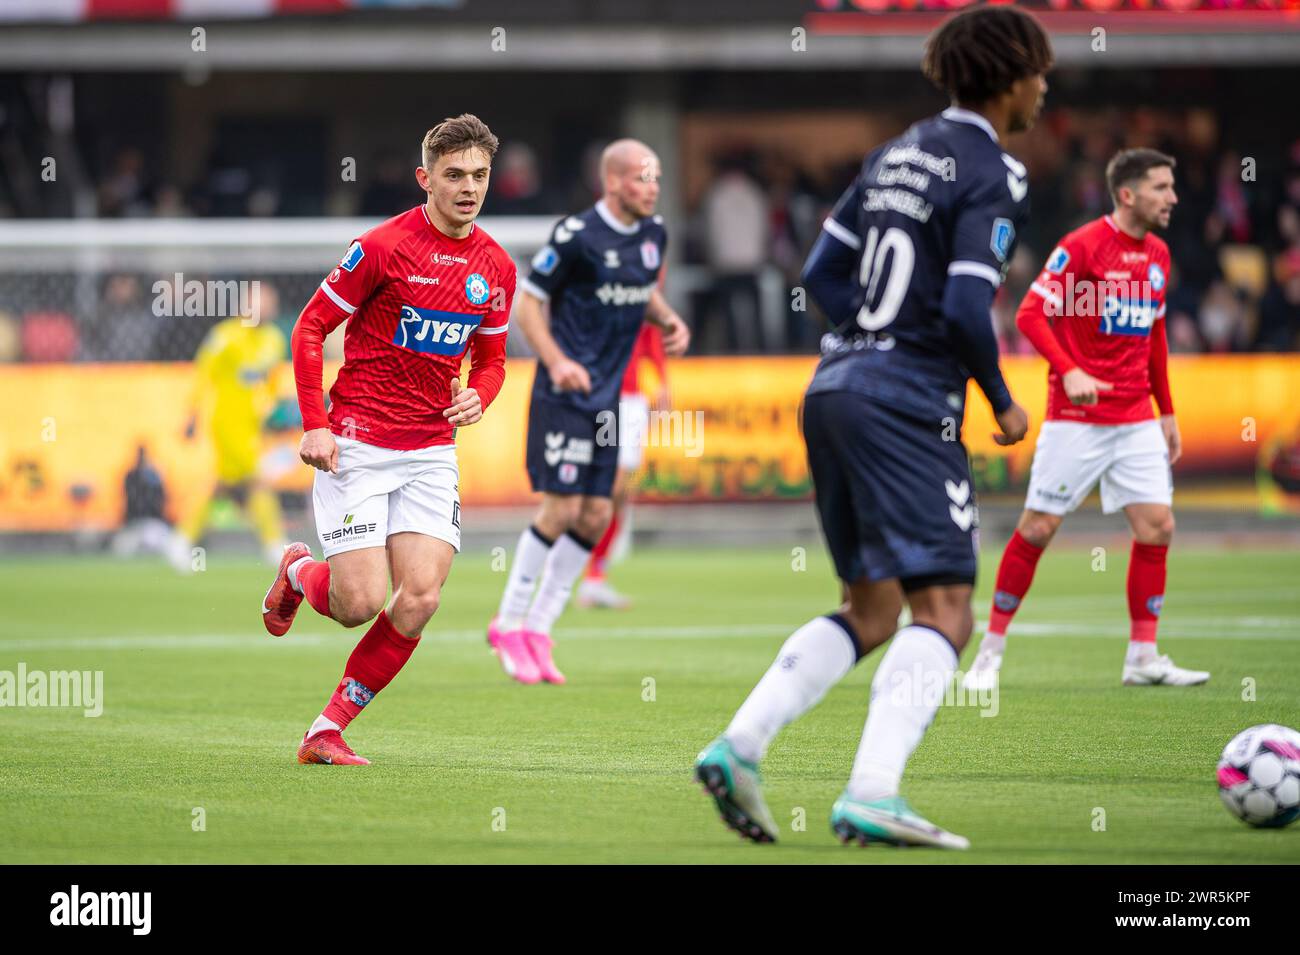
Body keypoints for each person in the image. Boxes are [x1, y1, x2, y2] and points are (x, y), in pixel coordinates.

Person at [694, 6, 1052, 848]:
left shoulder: (897, 151)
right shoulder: (994, 170)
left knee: (872, 605)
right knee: (949, 606)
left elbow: (821, 269)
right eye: (1042, 72)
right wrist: (998, 396)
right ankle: (873, 793)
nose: (1045, 88)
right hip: (905, 399)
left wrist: (869, 336)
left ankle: (740, 743)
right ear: (1010, 77)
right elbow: (967, 307)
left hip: (835, 385)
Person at [260, 114, 515, 765]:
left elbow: (492, 359)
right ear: (424, 178)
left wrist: (480, 394)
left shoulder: (496, 268)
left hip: (430, 450)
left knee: (422, 596)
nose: (468, 187)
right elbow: (310, 329)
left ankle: (327, 728)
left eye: (479, 175)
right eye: (454, 175)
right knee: (358, 602)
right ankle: (296, 571)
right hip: (359, 442)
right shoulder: (380, 247)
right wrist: (314, 421)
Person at [964, 149, 1209, 690]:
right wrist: (1070, 370)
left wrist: (1165, 409)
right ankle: (989, 654)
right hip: (1077, 418)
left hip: (1135, 419)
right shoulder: (1082, 248)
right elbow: (1030, 313)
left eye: (1172, 187)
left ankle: (1142, 656)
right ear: (1128, 195)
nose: (1172, 197)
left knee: (1158, 526)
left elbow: (1155, 336)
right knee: (1039, 527)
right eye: (1161, 188)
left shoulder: (1160, 256)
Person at [486, 138, 690, 685]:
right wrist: (556, 362)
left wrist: (668, 319)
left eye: (656, 179)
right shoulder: (575, 237)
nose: (653, 188)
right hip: (566, 395)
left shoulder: (654, 234)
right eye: (644, 179)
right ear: (616, 182)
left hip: (611, 399)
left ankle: (541, 628)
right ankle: (508, 623)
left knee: (598, 514)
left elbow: (641, 290)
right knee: (560, 510)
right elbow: (528, 307)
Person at [172, 282, 288, 571]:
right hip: (225, 421)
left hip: (252, 425)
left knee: (221, 486)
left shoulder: (274, 339)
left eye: (268, 301)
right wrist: (192, 415)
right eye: (258, 301)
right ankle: (275, 545)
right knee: (256, 480)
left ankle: (181, 540)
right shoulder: (224, 337)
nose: (264, 307)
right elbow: (203, 375)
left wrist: (270, 407)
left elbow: (272, 379)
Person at [576, 321, 668, 609]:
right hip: (600, 396)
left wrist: (662, 380)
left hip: (631, 401)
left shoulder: (644, 284)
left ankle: (595, 577)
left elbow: (650, 333)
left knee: (620, 493)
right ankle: (567, 570)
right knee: (598, 490)